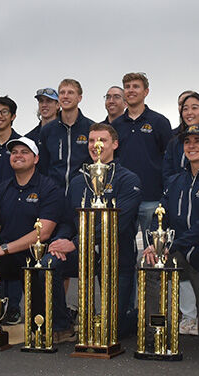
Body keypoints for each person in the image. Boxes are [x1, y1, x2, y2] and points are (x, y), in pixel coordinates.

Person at [45, 123, 142, 339]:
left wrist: (77, 242)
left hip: (117, 258)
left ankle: (135, 317)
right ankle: (62, 324)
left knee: (110, 331)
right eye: (91, 141)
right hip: (81, 254)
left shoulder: (128, 180)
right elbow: (69, 221)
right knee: (47, 264)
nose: (95, 145)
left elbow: (117, 223)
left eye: (102, 140)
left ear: (115, 144)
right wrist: (60, 241)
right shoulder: (79, 181)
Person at [143, 124, 199, 344]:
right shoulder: (174, 181)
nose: (192, 146)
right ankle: (155, 333)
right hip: (176, 251)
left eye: (198, 141)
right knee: (149, 263)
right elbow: (159, 216)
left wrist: (172, 245)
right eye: (187, 142)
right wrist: (155, 243)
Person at [0, 137, 68, 340]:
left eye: (24, 152)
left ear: (36, 158)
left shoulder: (49, 188)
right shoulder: (1, 189)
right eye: (14, 152)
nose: (18, 155)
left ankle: (49, 323)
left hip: (35, 255)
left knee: (40, 268)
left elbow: (43, 232)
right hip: (6, 253)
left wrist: (3, 248)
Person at [110, 72, 172, 235]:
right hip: (123, 197)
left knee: (153, 248)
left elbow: (168, 158)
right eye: (127, 87)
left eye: (136, 86)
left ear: (146, 92)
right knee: (123, 249)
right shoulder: (116, 125)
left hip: (152, 197)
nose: (131, 90)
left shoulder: (159, 122)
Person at [38, 79, 95, 196]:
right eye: (62, 93)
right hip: (53, 195)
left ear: (79, 98)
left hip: (82, 194)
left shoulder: (91, 128)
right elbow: (43, 166)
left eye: (70, 92)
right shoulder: (47, 130)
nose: (65, 96)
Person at [162, 92, 199, 181]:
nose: (189, 112)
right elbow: (167, 174)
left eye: (194, 108)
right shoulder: (174, 142)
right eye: (185, 109)